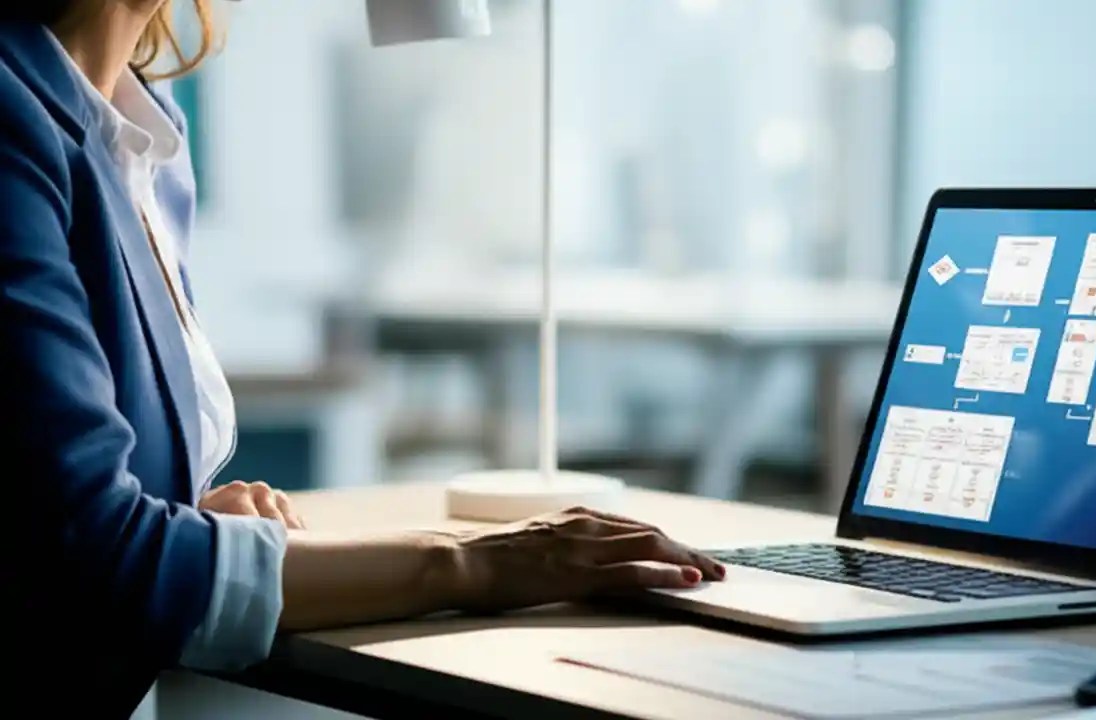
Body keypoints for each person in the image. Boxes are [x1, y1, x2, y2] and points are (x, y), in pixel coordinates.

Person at [0, 2, 725, 715]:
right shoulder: (14, 121)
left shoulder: (137, 131)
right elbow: (93, 556)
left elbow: (50, 508)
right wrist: (477, 562)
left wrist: (185, 521)